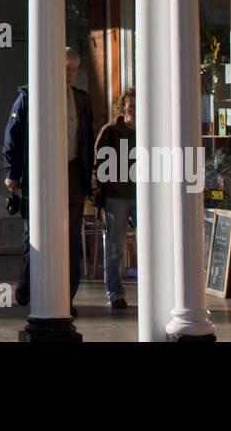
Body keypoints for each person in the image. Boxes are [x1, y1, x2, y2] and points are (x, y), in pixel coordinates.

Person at [3, 45, 95, 314]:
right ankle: (27, 287)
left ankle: (66, 297)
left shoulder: (82, 100)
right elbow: (13, 136)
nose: (70, 74)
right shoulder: (30, 97)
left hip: (73, 171)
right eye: (66, 69)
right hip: (38, 173)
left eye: (75, 70)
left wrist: (89, 179)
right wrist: (12, 173)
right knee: (36, 233)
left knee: (72, 236)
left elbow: (86, 140)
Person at [93, 88, 136, 310]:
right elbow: (99, 166)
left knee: (150, 244)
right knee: (115, 247)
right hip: (116, 196)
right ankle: (115, 292)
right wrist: (97, 200)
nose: (134, 111)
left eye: (138, 106)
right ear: (123, 107)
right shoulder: (110, 131)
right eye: (130, 106)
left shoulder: (148, 130)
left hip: (141, 196)